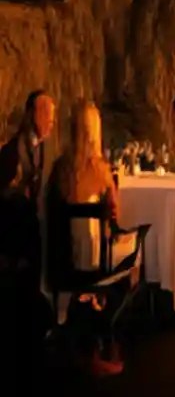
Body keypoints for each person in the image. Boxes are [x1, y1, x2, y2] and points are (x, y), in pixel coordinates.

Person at [47, 101, 141, 377]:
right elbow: (114, 214)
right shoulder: (101, 171)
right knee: (134, 261)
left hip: (62, 262)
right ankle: (103, 334)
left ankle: (84, 335)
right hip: (95, 265)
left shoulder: (59, 170)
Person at [0, 90, 56, 357]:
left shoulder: (40, 147)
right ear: (32, 114)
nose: (52, 120)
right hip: (13, 231)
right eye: (47, 113)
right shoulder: (13, 153)